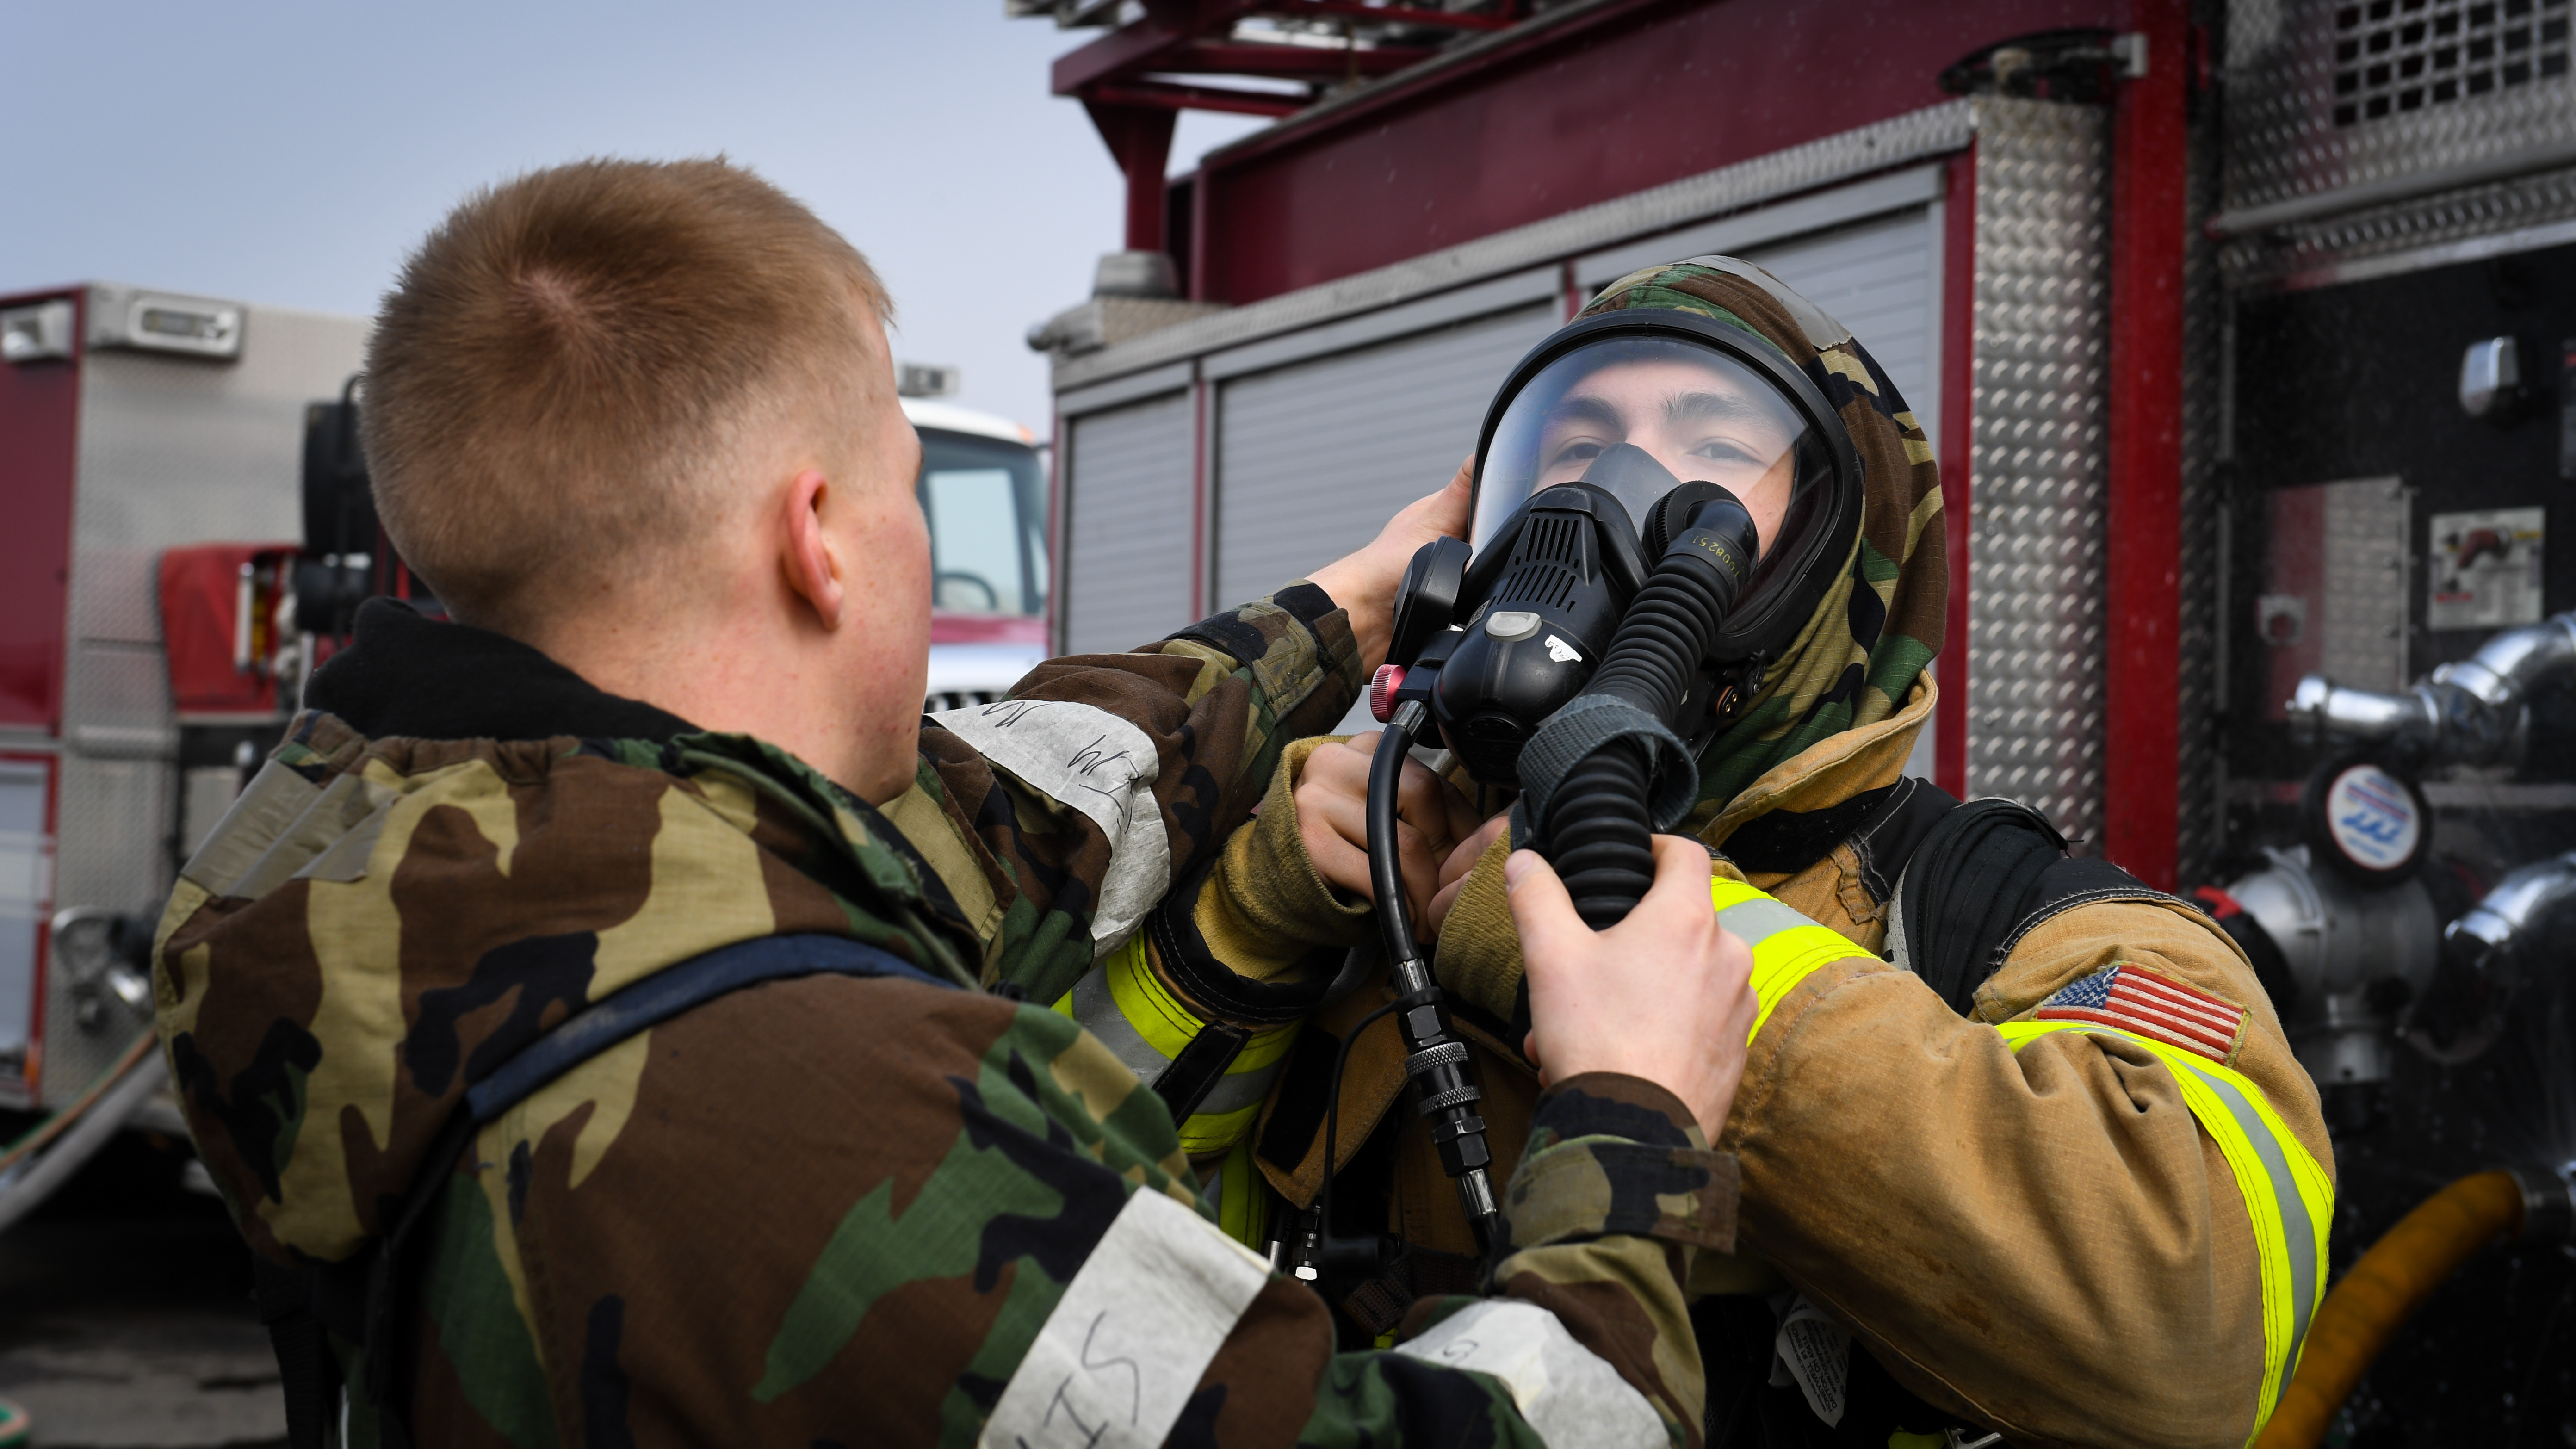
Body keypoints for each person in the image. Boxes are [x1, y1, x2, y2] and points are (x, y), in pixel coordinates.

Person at [149, 159, 1762, 1448]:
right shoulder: (827, 1129)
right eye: (908, 487)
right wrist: (1629, 1115)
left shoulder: (374, 869)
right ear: (819, 537)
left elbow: (1012, 801)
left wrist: (1338, 619)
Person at [1084, 260, 2334, 1449]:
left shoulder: (2011, 921)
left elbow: (2197, 1318)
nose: (1620, 484)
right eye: (1576, 446)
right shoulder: (1373, 882)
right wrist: (1238, 935)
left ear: (1841, 551)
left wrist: (1655, 927)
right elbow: (1081, 1286)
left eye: (1716, 448)